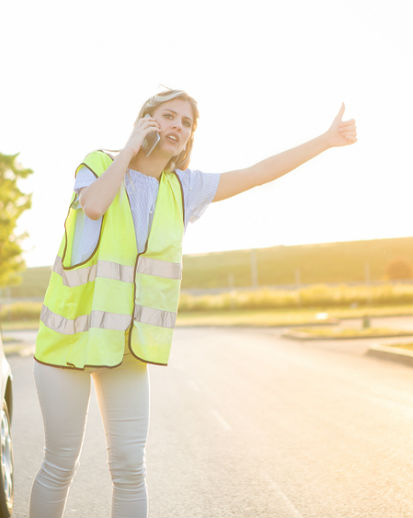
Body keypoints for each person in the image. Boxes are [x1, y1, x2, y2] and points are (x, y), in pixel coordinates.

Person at [30, 89, 357, 517]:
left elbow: (258, 172)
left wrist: (324, 140)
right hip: (65, 345)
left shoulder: (184, 188)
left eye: (186, 124)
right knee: (60, 465)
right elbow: (93, 206)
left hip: (126, 350)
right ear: (146, 120)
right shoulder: (98, 164)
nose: (178, 127)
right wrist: (128, 151)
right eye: (169, 116)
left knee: (130, 468)